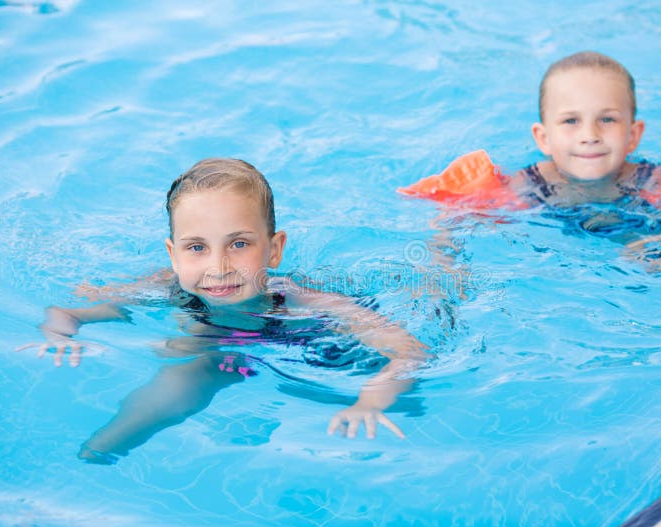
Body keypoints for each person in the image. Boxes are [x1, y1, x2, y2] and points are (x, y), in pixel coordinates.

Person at [21, 158, 430, 462]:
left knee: (418, 377)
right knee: (186, 364)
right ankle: (98, 455)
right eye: (197, 247)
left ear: (274, 249)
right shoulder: (166, 286)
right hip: (216, 347)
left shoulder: (304, 300)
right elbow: (69, 312)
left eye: (238, 244)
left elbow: (409, 351)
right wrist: (60, 335)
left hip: (314, 347)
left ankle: (453, 220)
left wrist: (370, 401)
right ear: (175, 254)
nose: (218, 268)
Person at [399, 51, 661, 294]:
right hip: (566, 256)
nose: (590, 135)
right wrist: (444, 267)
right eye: (571, 121)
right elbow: (448, 225)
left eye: (607, 119)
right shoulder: (519, 190)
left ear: (633, 135)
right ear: (543, 137)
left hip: (651, 236)